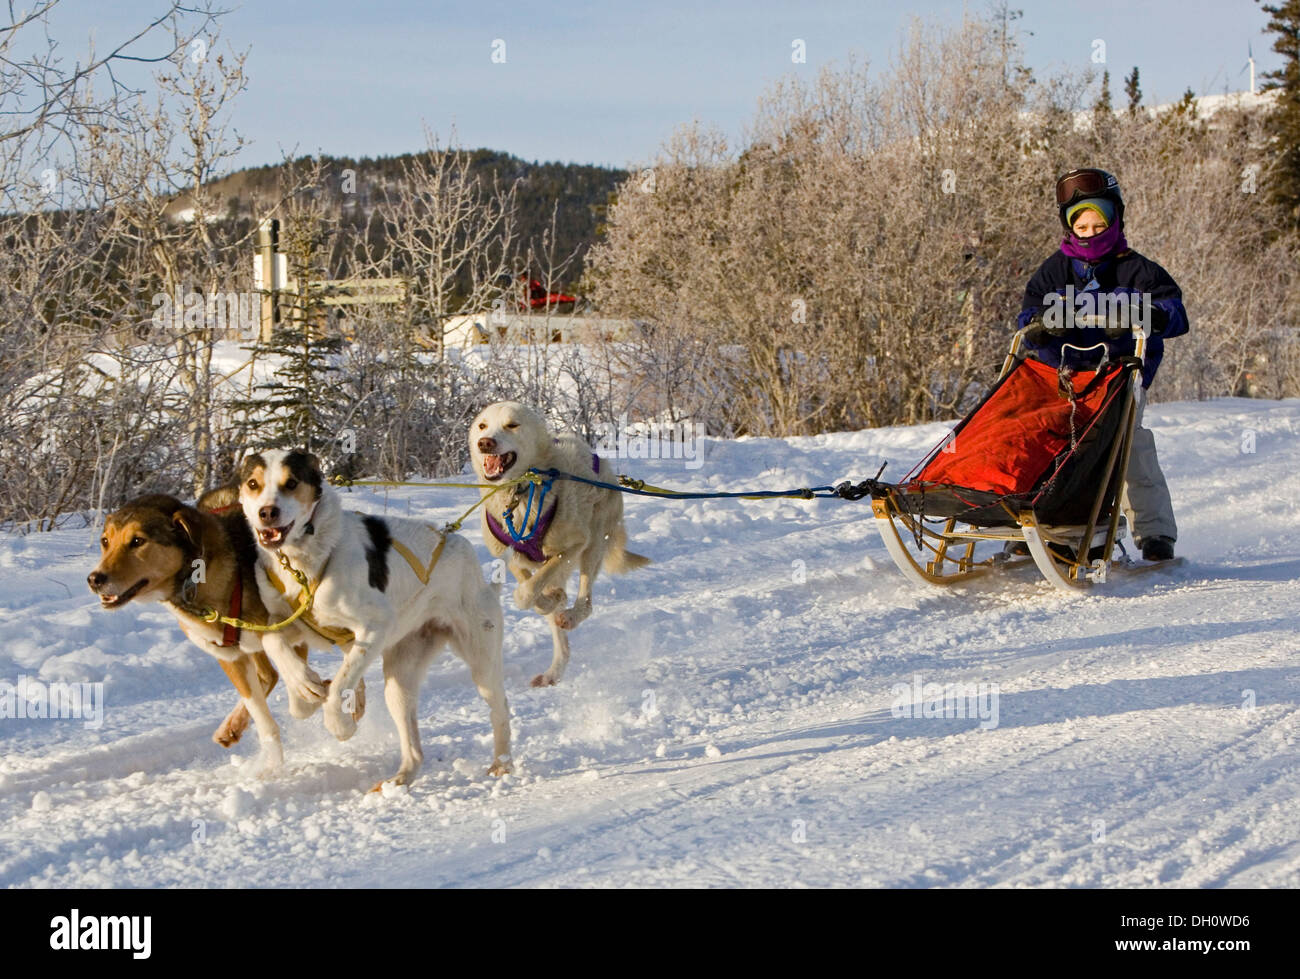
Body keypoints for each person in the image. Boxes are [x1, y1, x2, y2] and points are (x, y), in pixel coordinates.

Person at [1018, 168, 1188, 561]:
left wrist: (1142, 315)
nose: (1090, 232)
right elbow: (1028, 312)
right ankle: (1036, 522)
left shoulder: (1138, 269)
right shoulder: (1054, 270)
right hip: (1062, 379)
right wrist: (1035, 326)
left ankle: (1155, 530)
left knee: (1129, 447)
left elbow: (1174, 312)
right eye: (1082, 224)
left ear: (1115, 221)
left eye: (1099, 223)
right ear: (1069, 226)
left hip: (1121, 376)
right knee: (1048, 443)